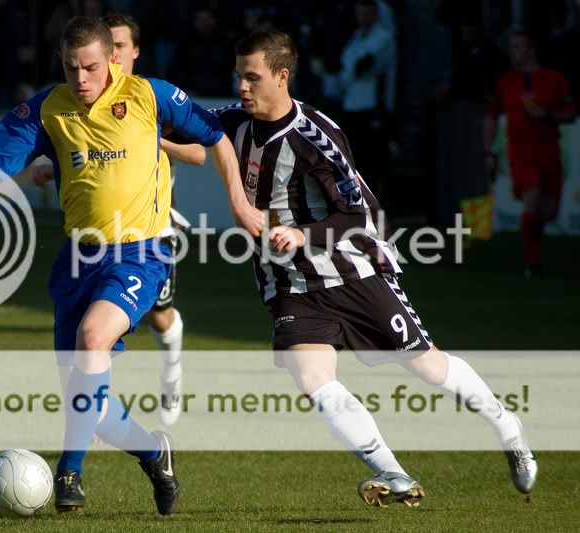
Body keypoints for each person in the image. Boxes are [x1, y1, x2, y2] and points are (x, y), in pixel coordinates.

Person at [0, 16, 262, 515]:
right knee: (90, 403)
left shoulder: (150, 95)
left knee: (94, 339)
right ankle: (155, 455)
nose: (81, 79)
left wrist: (239, 205)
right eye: (71, 69)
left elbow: (214, 137)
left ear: (112, 58)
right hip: (77, 258)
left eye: (90, 67)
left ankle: (70, 470)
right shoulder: (48, 109)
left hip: (141, 252)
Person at [213, 29, 537, 507]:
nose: (242, 87)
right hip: (289, 281)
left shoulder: (314, 139)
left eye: (252, 78)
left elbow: (356, 216)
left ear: (282, 77)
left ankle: (507, 426)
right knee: (311, 376)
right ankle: (393, 472)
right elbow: (193, 136)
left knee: (428, 365)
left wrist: (302, 233)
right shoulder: (235, 123)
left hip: (353, 271)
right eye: (239, 76)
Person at [32, 12, 206, 426]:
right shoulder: (79, 101)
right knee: (94, 331)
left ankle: (172, 371)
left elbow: (201, 152)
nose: (111, 59)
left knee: (159, 316)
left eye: (121, 47)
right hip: (95, 239)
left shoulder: (150, 98)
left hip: (152, 230)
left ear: (132, 52)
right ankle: (91, 413)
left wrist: (153, 142)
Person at [484, 30, 575, 277]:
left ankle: (533, 248)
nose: (513, 52)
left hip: (549, 151)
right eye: (511, 47)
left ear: (531, 50)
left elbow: (570, 113)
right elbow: (491, 116)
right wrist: (489, 151)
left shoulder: (554, 79)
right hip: (521, 153)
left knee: (547, 212)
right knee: (531, 199)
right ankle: (532, 263)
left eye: (517, 47)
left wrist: (546, 114)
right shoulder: (505, 82)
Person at [338, 0, 396, 203]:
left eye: (367, 14)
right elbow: (345, 70)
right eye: (359, 14)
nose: (363, 18)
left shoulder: (383, 37)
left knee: (375, 162)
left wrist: (352, 70)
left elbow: (364, 66)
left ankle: (378, 207)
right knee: (355, 160)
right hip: (352, 106)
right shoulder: (355, 38)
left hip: (373, 106)